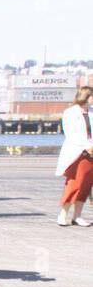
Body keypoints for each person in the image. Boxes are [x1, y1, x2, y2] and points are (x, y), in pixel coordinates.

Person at [56, 86, 93, 227]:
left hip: (91, 153)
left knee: (86, 186)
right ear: (86, 96)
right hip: (78, 153)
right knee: (75, 184)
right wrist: (86, 146)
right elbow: (71, 134)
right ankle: (63, 214)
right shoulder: (70, 113)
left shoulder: (91, 112)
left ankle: (77, 216)